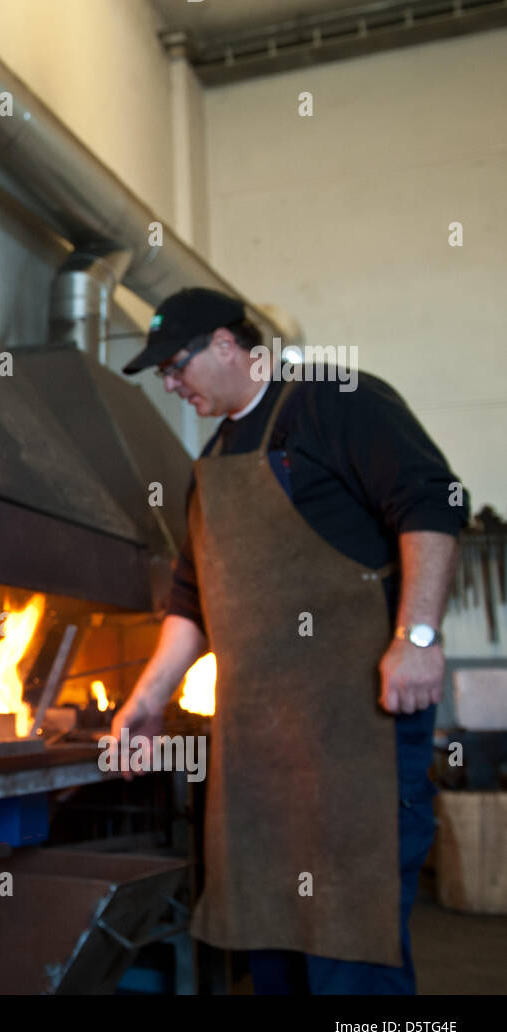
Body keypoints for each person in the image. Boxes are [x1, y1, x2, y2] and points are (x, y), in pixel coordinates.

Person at [112, 287, 464, 995]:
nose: (170, 384)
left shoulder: (336, 400)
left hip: (356, 737)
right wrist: (149, 695)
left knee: (350, 941)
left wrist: (418, 635)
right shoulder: (213, 460)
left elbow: (431, 499)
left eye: (175, 366)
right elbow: (192, 598)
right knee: (271, 940)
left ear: (224, 343)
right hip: (258, 759)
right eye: (160, 375)